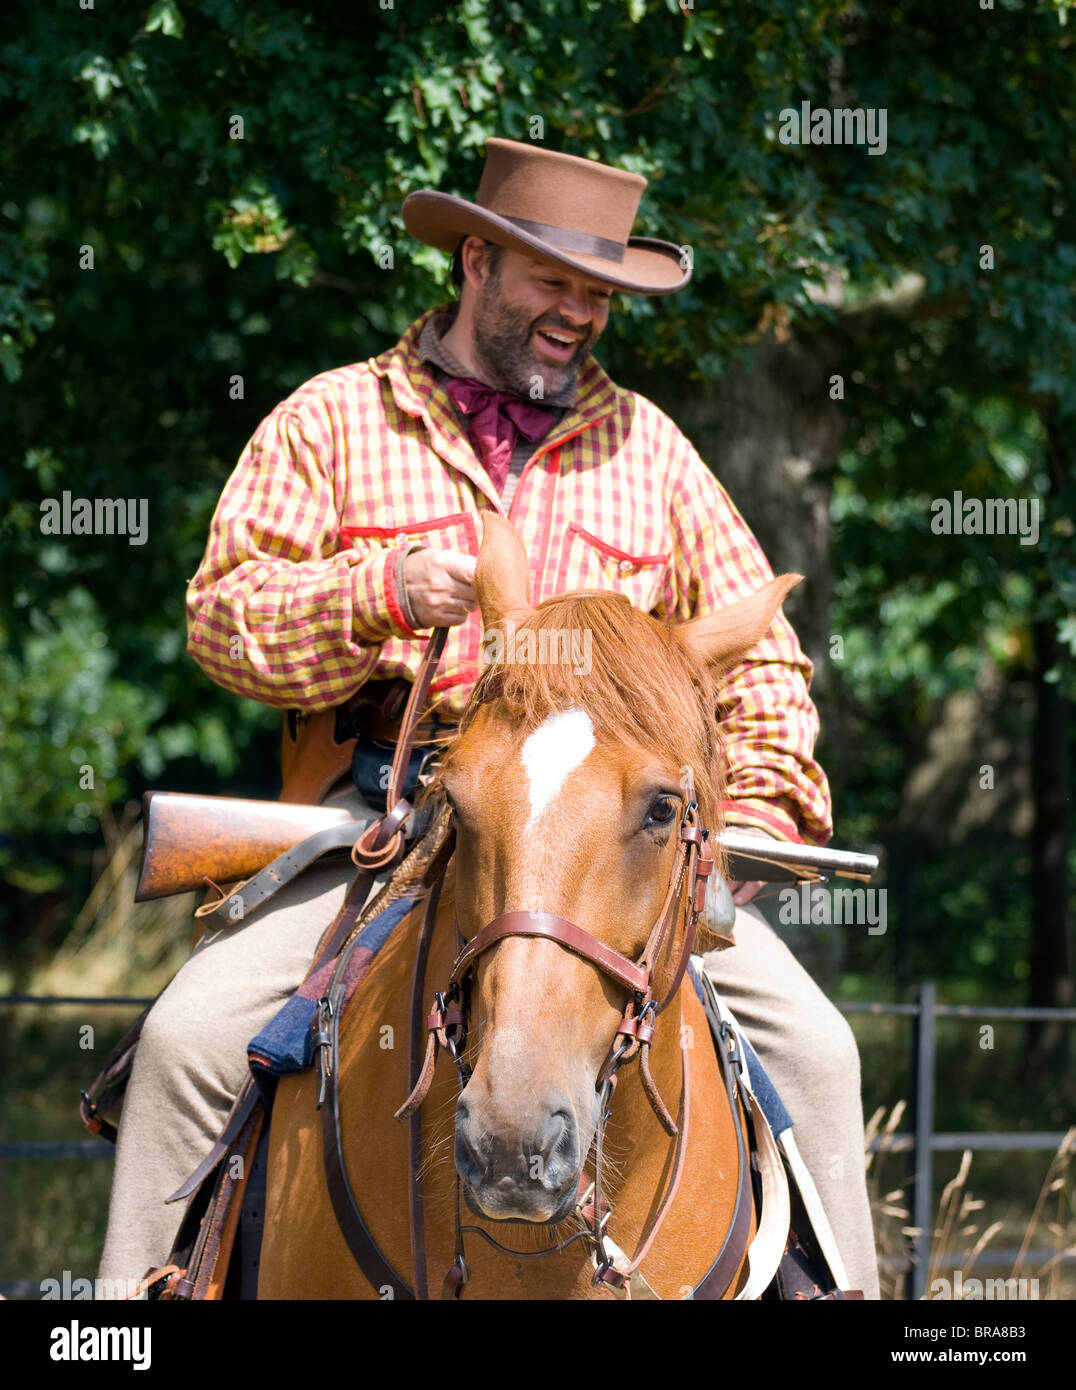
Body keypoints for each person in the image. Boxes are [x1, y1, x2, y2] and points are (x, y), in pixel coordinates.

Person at [98, 137, 880, 1298]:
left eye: (598, 294)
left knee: (819, 1050)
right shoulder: (333, 421)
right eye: (553, 283)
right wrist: (377, 591)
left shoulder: (650, 451)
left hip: (616, 847)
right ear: (475, 262)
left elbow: (760, 658)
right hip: (396, 817)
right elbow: (221, 618)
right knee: (183, 1045)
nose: (579, 314)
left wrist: (742, 820)